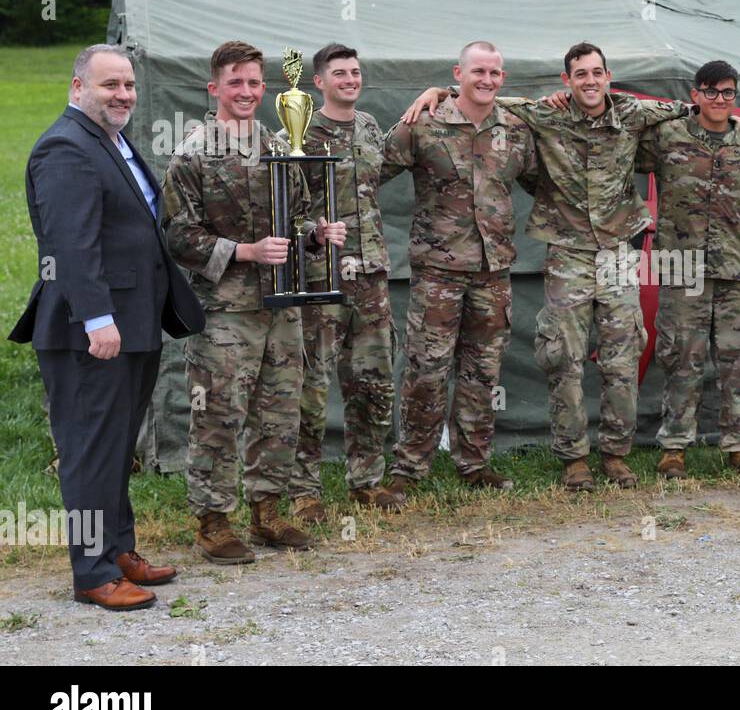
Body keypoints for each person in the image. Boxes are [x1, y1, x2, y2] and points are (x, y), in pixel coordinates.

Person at [400, 43, 740, 491]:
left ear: (609, 77)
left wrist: (736, 118)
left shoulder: (634, 114)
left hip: (616, 252)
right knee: (564, 358)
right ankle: (573, 457)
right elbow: (485, 98)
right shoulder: (544, 114)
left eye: (597, 73)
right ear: (566, 80)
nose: (590, 81)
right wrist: (437, 90)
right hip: (567, 253)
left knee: (621, 356)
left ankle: (615, 453)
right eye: (580, 74)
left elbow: (699, 108)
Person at [10, 44, 204, 610]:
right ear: (77, 88)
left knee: (118, 447)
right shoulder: (65, 149)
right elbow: (73, 246)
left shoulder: (111, 141)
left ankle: (119, 551)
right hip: (91, 331)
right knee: (93, 451)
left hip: (133, 324)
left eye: (128, 85)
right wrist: (98, 318)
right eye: (108, 85)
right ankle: (92, 573)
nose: (122, 94)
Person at [162, 40, 347, 563]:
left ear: (266, 88)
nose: (245, 92)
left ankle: (267, 510)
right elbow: (177, 235)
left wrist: (315, 235)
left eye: (253, 82)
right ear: (214, 88)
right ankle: (213, 521)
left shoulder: (281, 144)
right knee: (219, 416)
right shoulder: (193, 152)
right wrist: (243, 251)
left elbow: (298, 214)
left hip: (282, 304)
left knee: (280, 414)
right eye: (235, 83)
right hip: (225, 309)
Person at [381, 41, 538, 496]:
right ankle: (409, 469)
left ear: (502, 79)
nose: (486, 80)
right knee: (426, 371)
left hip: (494, 273)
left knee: (483, 372)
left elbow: (543, 180)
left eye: (494, 73)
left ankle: (474, 464)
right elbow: (369, 173)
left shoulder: (515, 129)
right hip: (439, 273)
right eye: (478, 72)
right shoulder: (423, 124)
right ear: (458, 73)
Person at [636, 60, 740, 478]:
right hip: (682, 265)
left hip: (736, 266)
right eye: (710, 91)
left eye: (728, 93)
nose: (719, 100)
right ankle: (675, 446)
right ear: (695, 95)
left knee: (738, 358)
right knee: (682, 357)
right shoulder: (665, 136)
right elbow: (614, 134)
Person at [288, 43, 402, 519]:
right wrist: (312, 234)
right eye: (340, 74)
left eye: (355, 72)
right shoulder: (300, 135)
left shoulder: (371, 126)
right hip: (322, 277)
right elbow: (284, 210)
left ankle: (366, 480)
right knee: (311, 386)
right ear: (319, 82)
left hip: (370, 276)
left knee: (373, 381)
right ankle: (302, 490)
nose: (350, 80)